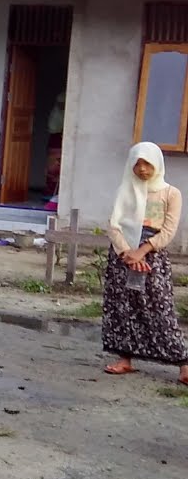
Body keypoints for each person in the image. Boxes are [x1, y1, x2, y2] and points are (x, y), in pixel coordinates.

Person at [100, 142, 188, 384]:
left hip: (153, 255)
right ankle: (125, 359)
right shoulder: (126, 189)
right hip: (123, 256)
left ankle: (183, 364)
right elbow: (114, 225)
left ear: (157, 164)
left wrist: (142, 251)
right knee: (122, 307)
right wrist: (127, 253)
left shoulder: (171, 193)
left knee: (160, 307)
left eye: (147, 164)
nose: (142, 169)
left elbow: (169, 230)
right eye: (137, 163)